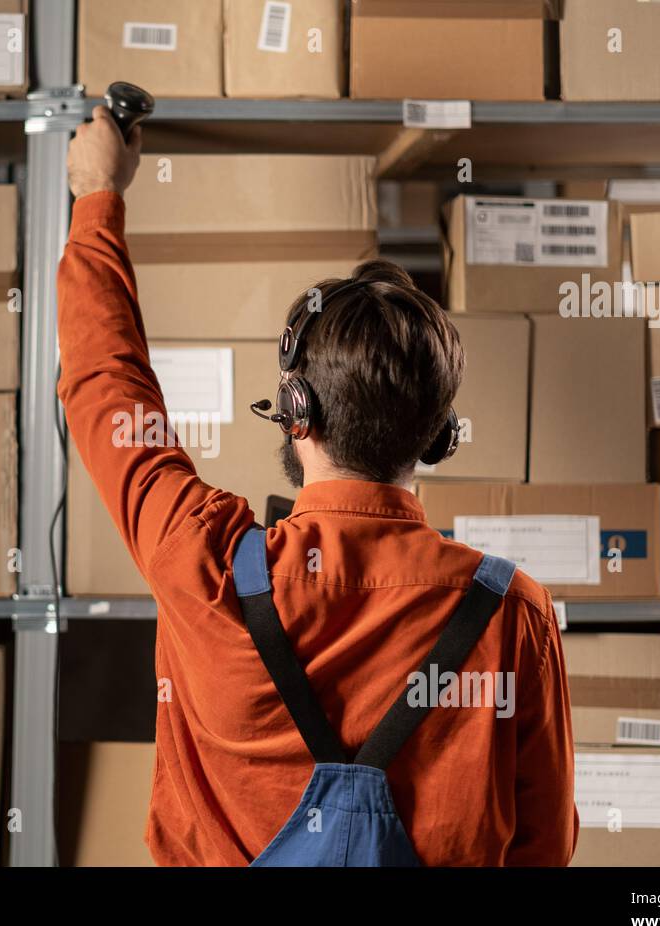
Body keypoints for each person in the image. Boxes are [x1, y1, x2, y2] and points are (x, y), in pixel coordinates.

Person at [58, 106, 577, 867]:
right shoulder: (511, 613)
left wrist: (97, 194)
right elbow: (544, 848)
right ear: (438, 436)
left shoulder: (204, 563)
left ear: (295, 411)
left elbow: (107, 386)